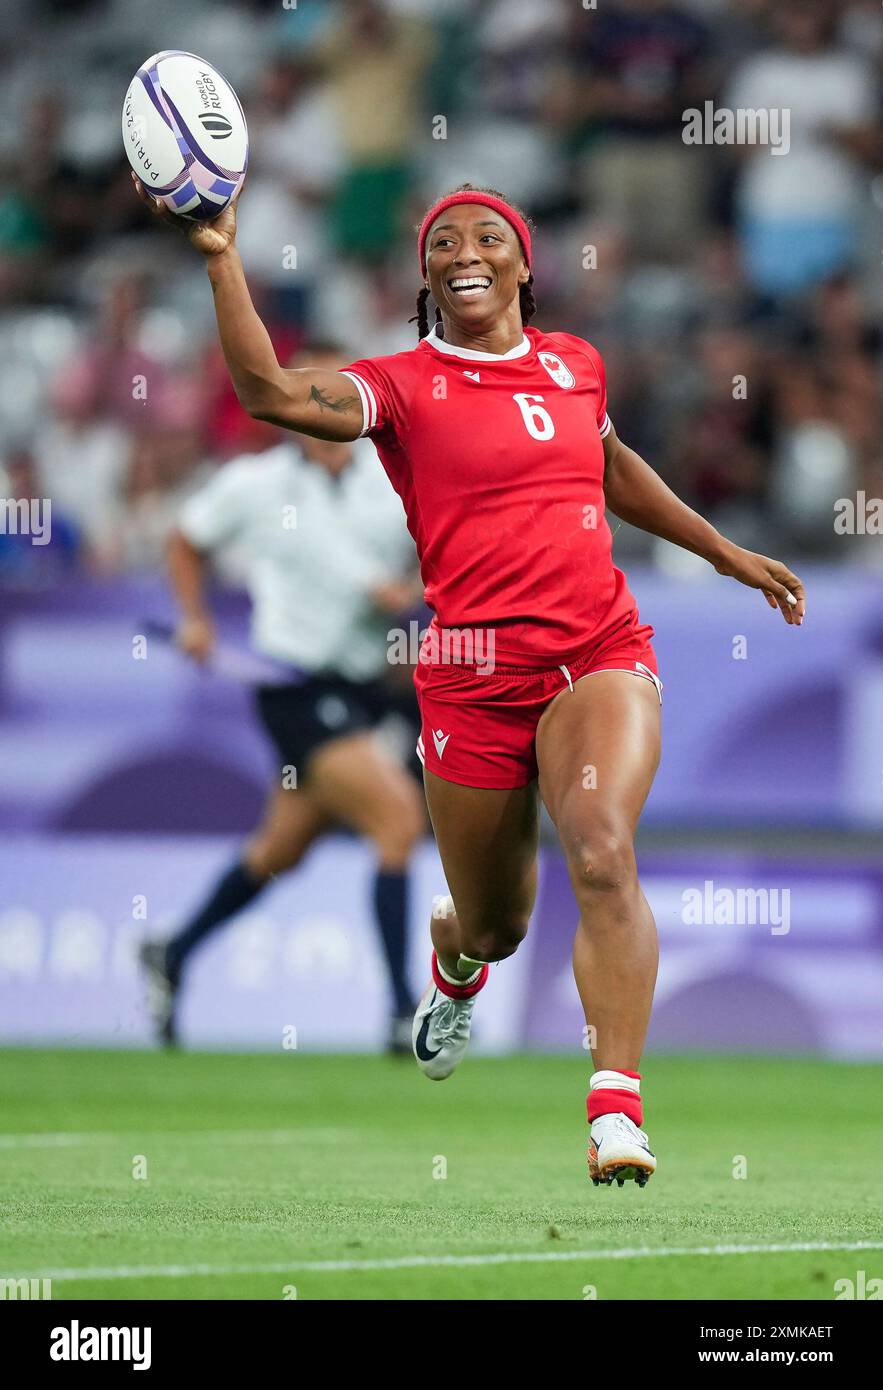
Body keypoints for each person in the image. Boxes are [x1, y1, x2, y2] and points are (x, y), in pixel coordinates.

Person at [133, 173, 805, 1188]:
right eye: (442, 244)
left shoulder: (576, 364)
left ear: (525, 263)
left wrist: (722, 552)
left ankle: (615, 1110)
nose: (463, 254)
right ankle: (455, 963)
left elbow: (611, 465)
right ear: (425, 277)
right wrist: (223, 253)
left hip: (597, 649)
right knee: (496, 922)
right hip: (469, 676)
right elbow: (269, 392)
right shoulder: (400, 387)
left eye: (487, 237)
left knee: (602, 848)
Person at [139, 342, 426, 1054]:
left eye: (336, 388)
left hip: (366, 688)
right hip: (293, 688)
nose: (323, 401)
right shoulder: (255, 484)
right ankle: (399, 1013)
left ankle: (173, 953)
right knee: (396, 818)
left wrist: (410, 594)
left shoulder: (389, 479)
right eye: (310, 388)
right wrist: (196, 620)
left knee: (280, 850)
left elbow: (435, 556)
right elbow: (184, 540)